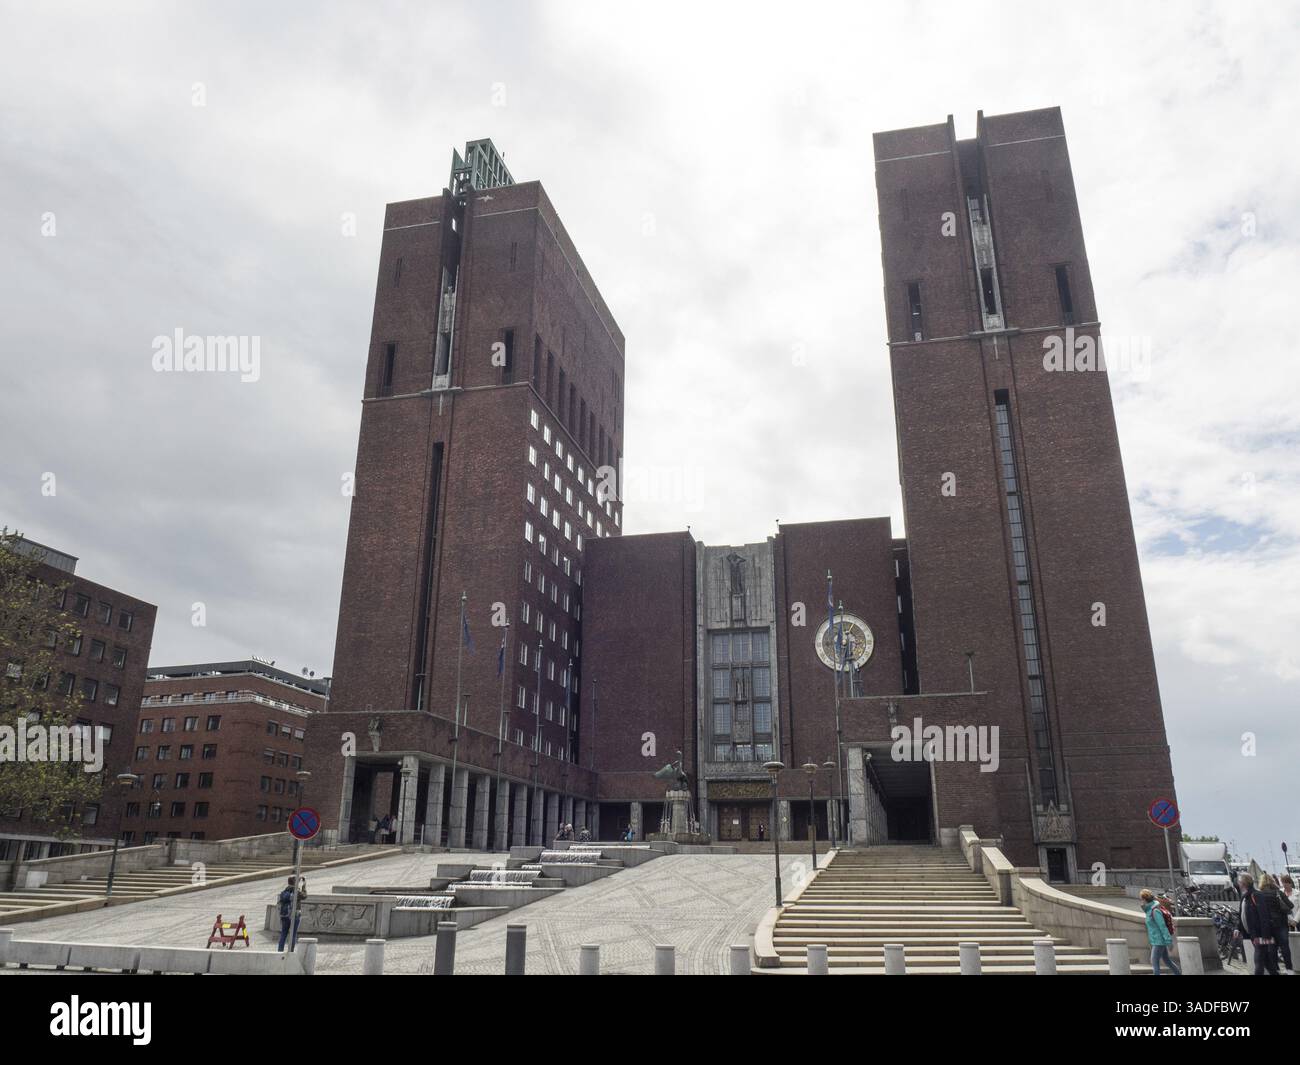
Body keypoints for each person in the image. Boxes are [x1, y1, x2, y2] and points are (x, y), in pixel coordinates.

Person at [1238, 873, 1280, 975]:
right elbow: (1242, 915)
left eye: (1239, 882)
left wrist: (1264, 935)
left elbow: (1263, 916)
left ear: (1244, 883)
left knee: (1258, 961)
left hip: (1259, 935)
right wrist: (1238, 929)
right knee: (1267, 962)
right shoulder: (1245, 897)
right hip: (1253, 934)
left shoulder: (1256, 895)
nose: (1238, 884)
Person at [1140, 888, 1180, 975]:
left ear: (1144, 899)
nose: (1141, 901)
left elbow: (1162, 927)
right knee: (1167, 960)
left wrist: (1169, 941)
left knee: (1154, 961)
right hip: (1156, 940)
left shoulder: (1155, 911)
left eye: (1141, 899)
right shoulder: (1149, 910)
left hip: (1159, 941)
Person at [1258, 873, 1293, 973]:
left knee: (1272, 948)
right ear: (1272, 881)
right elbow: (1290, 905)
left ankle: (1275, 970)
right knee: (1285, 947)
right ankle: (1289, 970)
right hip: (1281, 924)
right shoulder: (1278, 892)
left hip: (1268, 926)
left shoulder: (1259, 895)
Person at [276, 875, 307, 952]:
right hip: (295, 915)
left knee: (283, 934)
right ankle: (290, 951)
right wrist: (304, 886)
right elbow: (305, 896)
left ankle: (280, 952)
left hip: (284, 915)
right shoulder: (297, 892)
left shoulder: (284, 891)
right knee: (293, 934)